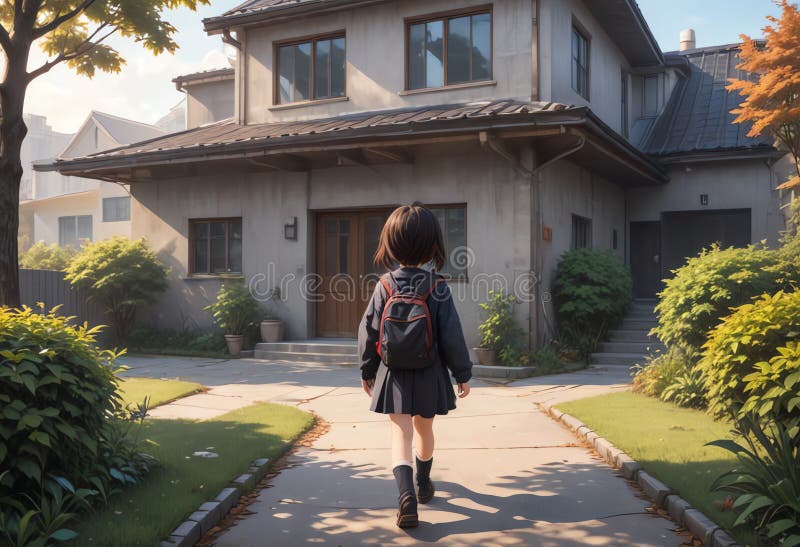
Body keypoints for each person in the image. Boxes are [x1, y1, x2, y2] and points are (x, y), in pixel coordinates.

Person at [358, 203, 473, 529]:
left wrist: (368, 370)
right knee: (424, 429)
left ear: (390, 244)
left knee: (400, 432)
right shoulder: (437, 287)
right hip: (430, 373)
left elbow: (368, 330)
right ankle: (423, 483)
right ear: (432, 245)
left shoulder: (384, 285)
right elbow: (452, 335)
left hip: (393, 374)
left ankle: (405, 495)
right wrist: (462, 373)